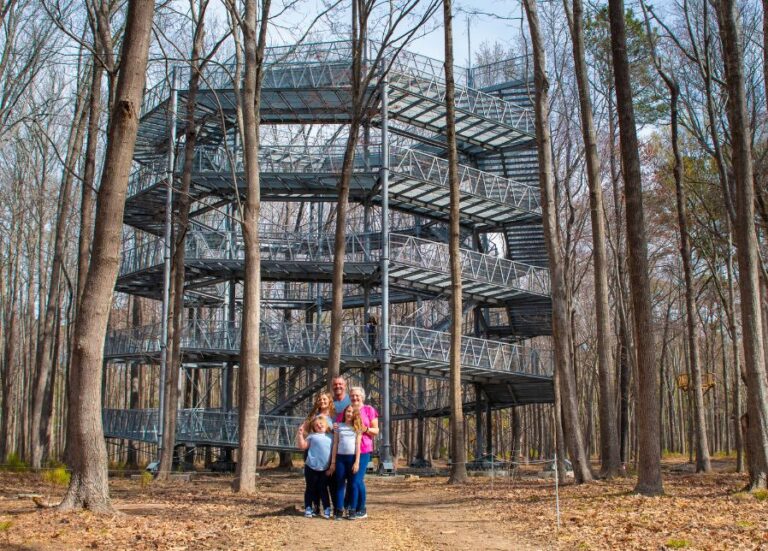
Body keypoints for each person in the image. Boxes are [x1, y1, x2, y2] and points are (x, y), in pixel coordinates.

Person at [337, 386, 378, 520]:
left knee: (357, 480)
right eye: (352, 395)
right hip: (347, 451)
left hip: (364, 449)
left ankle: (362, 508)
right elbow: (339, 426)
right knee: (350, 481)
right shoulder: (347, 410)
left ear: (362, 397)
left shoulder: (369, 410)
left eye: (357, 396)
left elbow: (376, 430)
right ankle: (349, 507)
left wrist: (365, 429)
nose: (355, 398)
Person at [328, 405, 362, 521]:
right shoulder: (339, 427)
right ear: (345, 413)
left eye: (352, 412)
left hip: (352, 459)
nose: (349, 414)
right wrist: (333, 462)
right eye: (348, 411)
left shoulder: (357, 428)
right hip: (340, 459)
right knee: (340, 485)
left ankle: (352, 509)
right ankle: (339, 510)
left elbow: (358, 446)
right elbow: (335, 444)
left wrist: (357, 462)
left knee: (353, 485)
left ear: (355, 415)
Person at [296, 416, 333, 519]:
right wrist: (300, 434)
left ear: (326, 425)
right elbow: (302, 446)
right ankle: (308, 507)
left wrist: (332, 466)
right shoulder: (312, 436)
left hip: (325, 468)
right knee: (310, 488)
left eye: (321, 423)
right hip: (311, 466)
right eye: (316, 425)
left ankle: (327, 508)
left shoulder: (331, 436)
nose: (319, 425)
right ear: (314, 427)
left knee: (323, 489)